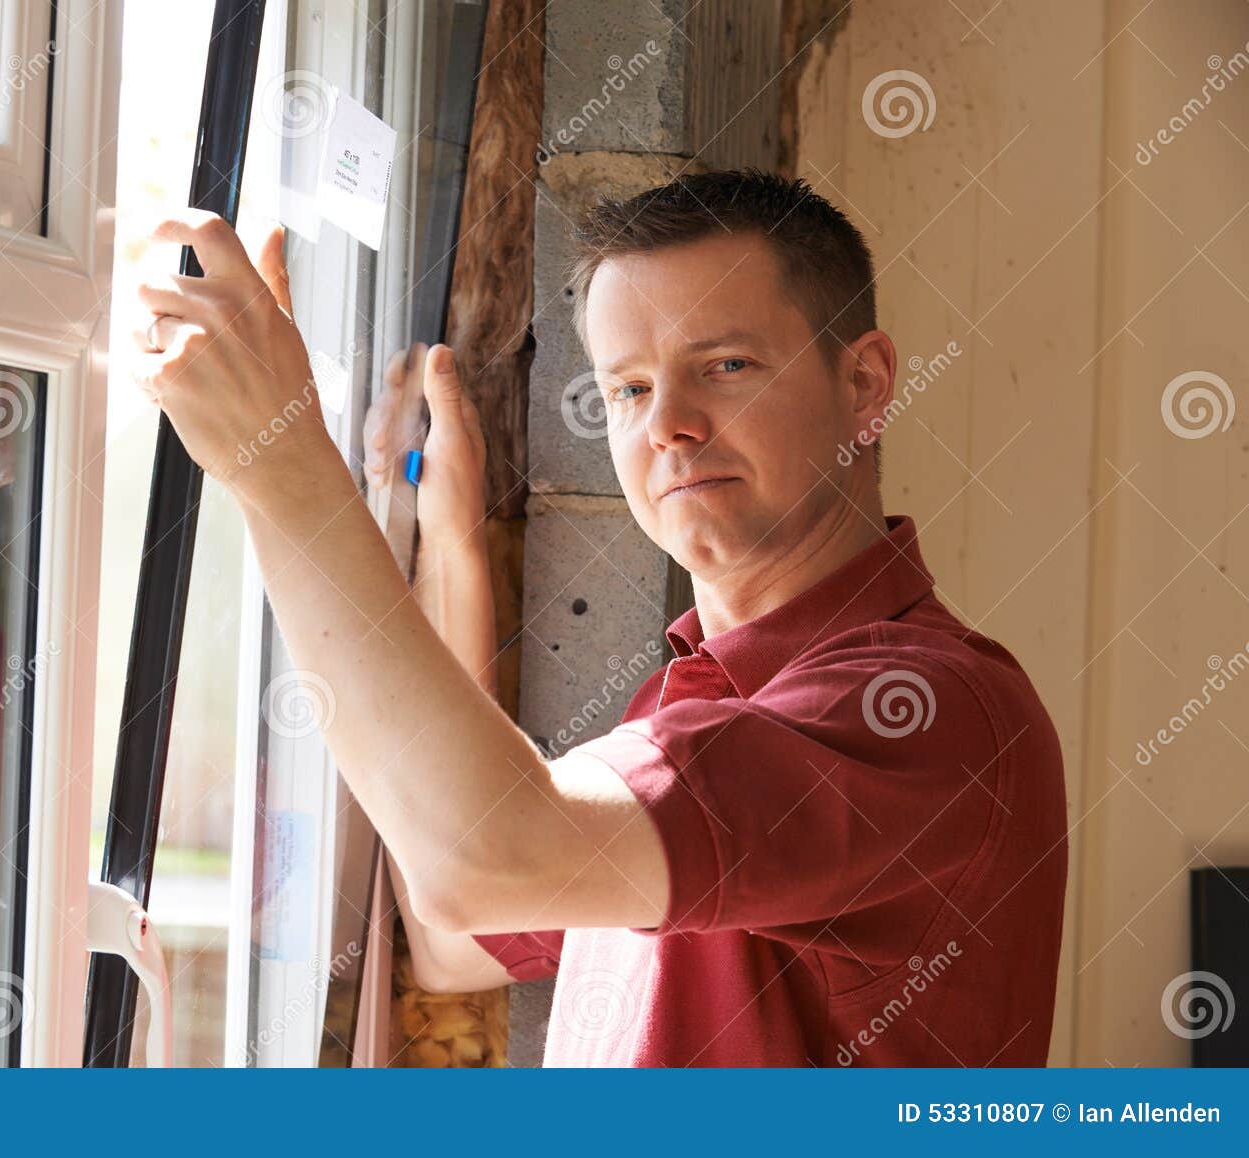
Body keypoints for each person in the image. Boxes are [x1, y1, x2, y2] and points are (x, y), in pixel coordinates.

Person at [130, 169, 1068, 1066]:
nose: (670, 424)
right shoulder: (689, 700)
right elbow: (464, 934)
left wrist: (280, 461)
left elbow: (483, 863)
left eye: (727, 365)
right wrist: (449, 547)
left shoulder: (928, 711)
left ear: (863, 383)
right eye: (629, 388)